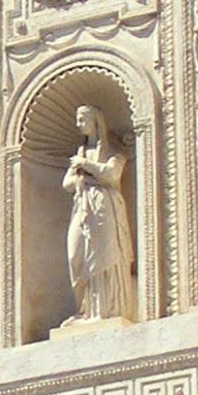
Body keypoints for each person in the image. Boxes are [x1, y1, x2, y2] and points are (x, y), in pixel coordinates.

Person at [61, 105, 136, 325]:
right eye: (77, 119)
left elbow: (112, 175)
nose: (78, 124)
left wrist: (85, 167)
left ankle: (105, 310)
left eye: (82, 119)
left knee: (104, 255)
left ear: (96, 121)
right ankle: (85, 309)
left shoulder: (111, 153)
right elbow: (67, 183)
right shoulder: (80, 153)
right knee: (76, 254)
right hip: (83, 206)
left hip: (104, 207)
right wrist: (89, 175)